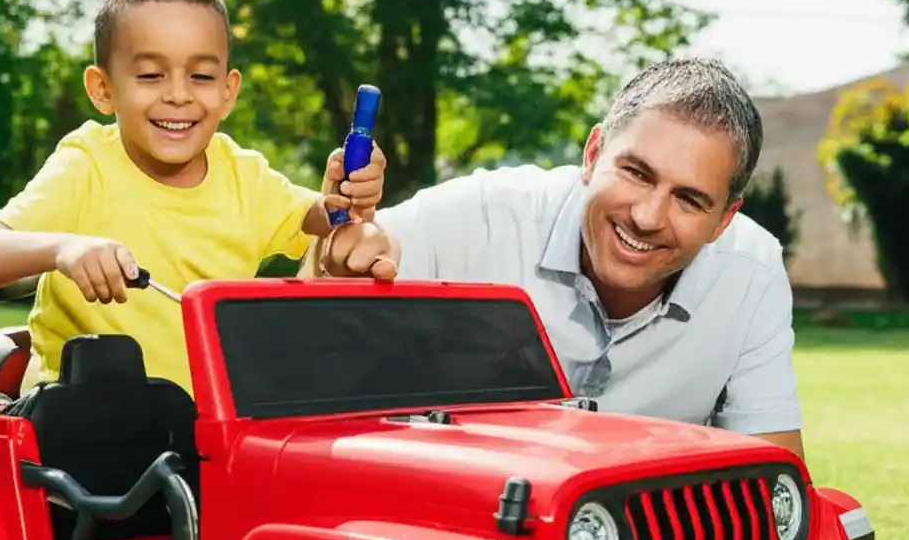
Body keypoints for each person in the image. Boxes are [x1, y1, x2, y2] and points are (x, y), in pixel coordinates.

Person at [303, 57, 806, 460]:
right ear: (592, 154)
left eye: (689, 200)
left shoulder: (752, 270)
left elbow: (777, 488)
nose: (649, 216)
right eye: (636, 172)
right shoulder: (479, 215)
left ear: (724, 219)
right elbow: (316, 320)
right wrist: (333, 253)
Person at [0, 0, 395, 395]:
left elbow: (322, 218)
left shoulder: (244, 175)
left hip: (213, 429)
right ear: (103, 89)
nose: (179, 94)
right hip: (80, 424)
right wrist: (64, 248)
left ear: (227, 91)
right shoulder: (86, 165)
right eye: (150, 75)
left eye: (201, 76)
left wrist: (345, 195)